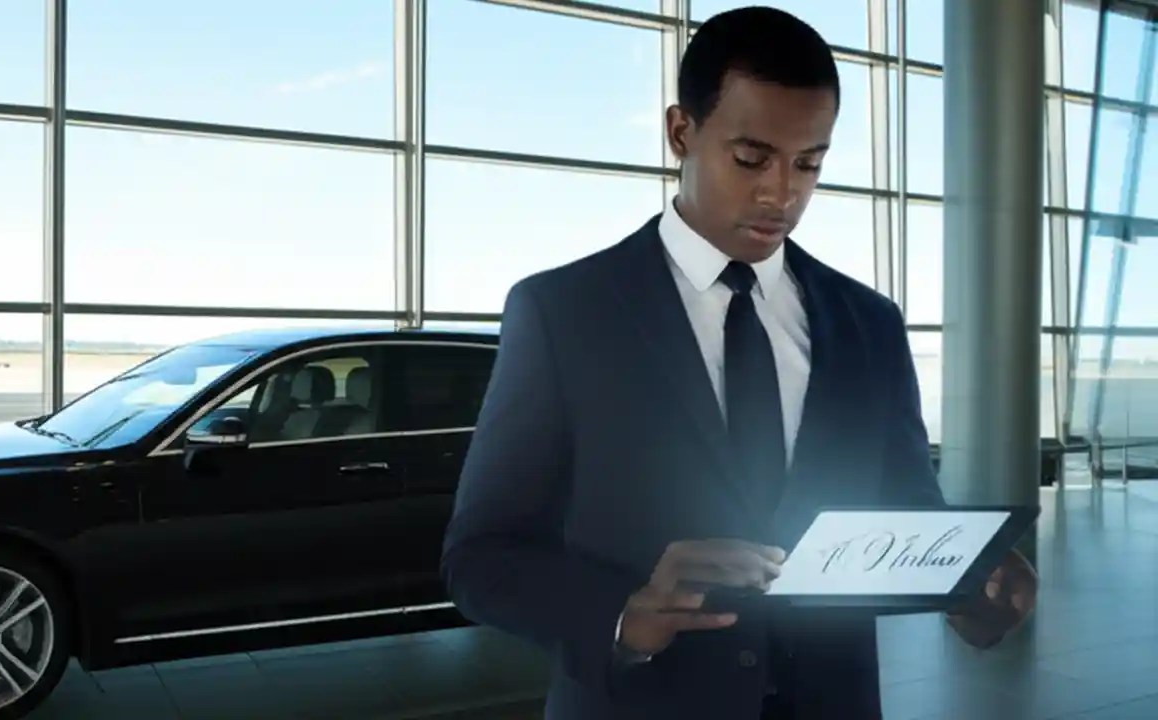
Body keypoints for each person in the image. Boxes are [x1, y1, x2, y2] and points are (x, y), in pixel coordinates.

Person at [440, 6, 1037, 719]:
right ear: (681, 132)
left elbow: (907, 518)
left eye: (809, 163)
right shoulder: (563, 313)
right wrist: (623, 614)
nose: (781, 194)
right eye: (752, 158)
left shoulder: (870, 325)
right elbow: (480, 556)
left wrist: (972, 598)